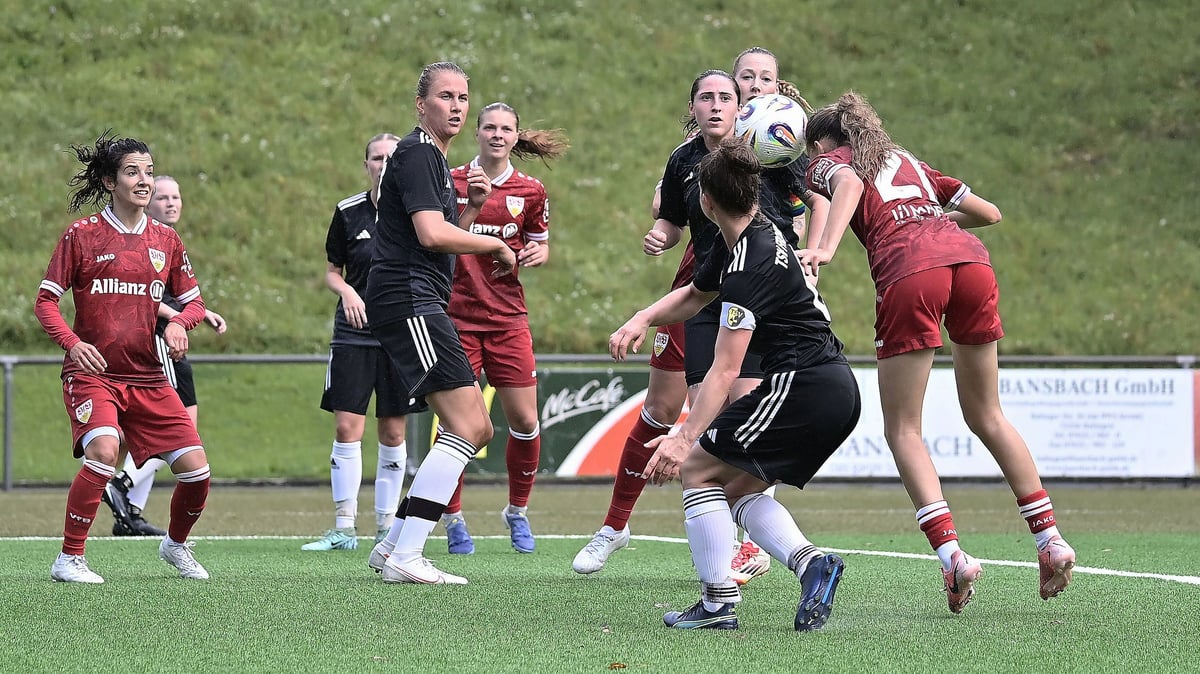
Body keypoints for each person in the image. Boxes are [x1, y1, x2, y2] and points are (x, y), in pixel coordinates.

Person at [800, 91, 1076, 612]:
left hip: (911, 273)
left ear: (821, 143)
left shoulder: (829, 161)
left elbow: (849, 185)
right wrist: (931, 224)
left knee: (903, 429)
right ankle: (1050, 540)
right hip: (971, 263)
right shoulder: (907, 160)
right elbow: (989, 213)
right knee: (988, 414)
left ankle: (952, 556)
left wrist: (826, 248)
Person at [574, 56, 826, 582]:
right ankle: (622, 528)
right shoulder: (684, 159)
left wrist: (817, 249)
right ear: (692, 107)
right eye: (706, 98)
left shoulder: (768, 147)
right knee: (672, 408)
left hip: (758, 290)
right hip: (703, 285)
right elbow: (670, 218)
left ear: (742, 107)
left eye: (726, 97)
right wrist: (661, 235)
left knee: (739, 411)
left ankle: (741, 549)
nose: (716, 105)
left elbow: (820, 193)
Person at [609, 138, 860, 631]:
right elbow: (695, 293)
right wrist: (644, 317)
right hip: (829, 386)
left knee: (698, 470)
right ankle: (813, 565)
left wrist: (683, 439)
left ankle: (716, 603)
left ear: (705, 201)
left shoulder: (749, 262)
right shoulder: (749, 239)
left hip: (804, 386)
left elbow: (725, 370)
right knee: (738, 489)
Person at [35, 133, 213, 583]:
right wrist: (73, 343)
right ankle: (69, 558)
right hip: (93, 374)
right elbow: (46, 302)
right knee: (104, 451)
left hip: (148, 376)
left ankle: (175, 545)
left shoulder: (166, 239)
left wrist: (179, 323)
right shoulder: (82, 235)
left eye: (149, 172)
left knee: (197, 472)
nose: (144, 180)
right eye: (133, 172)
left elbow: (194, 303)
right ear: (110, 181)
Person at [363, 62, 516, 585]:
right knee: (469, 427)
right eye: (445, 96)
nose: (456, 106)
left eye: (463, 97)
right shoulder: (418, 153)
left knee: (477, 427)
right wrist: (495, 243)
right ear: (420, 104)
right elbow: (431, 235)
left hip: (416, 297)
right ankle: (406, 555)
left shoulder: (430, 158)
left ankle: (392, 546)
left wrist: (471, 210)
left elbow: (438, 237)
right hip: (408, 300)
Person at [437, 103, 569, 555]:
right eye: (490, 127)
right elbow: (439, 239)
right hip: (456, 317)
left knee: (526, 421)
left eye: (505, 129)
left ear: (515, 136)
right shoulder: (451, 181)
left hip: (508, 318)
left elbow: (540, 245)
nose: (497, 134)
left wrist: (537, 254)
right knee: (455, 425)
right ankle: (453, 519)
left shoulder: (531, 190)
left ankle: (517, 511)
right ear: (476, 133)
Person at [302, 133, 420, 552]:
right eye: (376, 158)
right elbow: (333, 271)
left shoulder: (417, 213)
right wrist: (348, 292)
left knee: (393, 432)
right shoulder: (348, 211)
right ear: (366, 164)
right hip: (354, 334)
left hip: (400, 333)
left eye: (391, 157)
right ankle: (344, 528)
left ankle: (387, 527)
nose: (384, 164)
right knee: (346, 427)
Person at [101, 175, 227, 538]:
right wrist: (177, 318)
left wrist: (199, 312)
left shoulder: (168, 240)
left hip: (171, 340)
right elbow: (136, 294)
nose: (171, 203)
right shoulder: (139, 239)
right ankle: (121, 484)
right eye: (163, 197)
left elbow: (175, 295)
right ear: (146, 202)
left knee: (171, 430)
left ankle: (130, 513)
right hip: (156, 341)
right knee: (177, 430)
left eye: (176, 197)